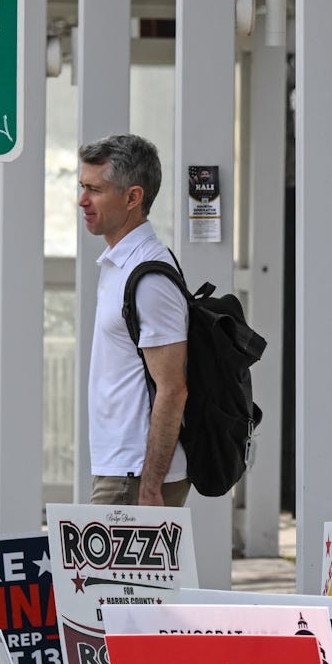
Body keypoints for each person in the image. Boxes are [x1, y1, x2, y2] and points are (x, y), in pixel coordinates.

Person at [78, 133, 191, 507]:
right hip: (120, 468)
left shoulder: (149, 278)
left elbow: (173, 389)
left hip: (135, 475)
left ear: (132, 197)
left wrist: (151, 485)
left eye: (95, 189)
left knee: (93, 571)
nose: (83, 201)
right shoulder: (119, 265)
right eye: (82, 187)